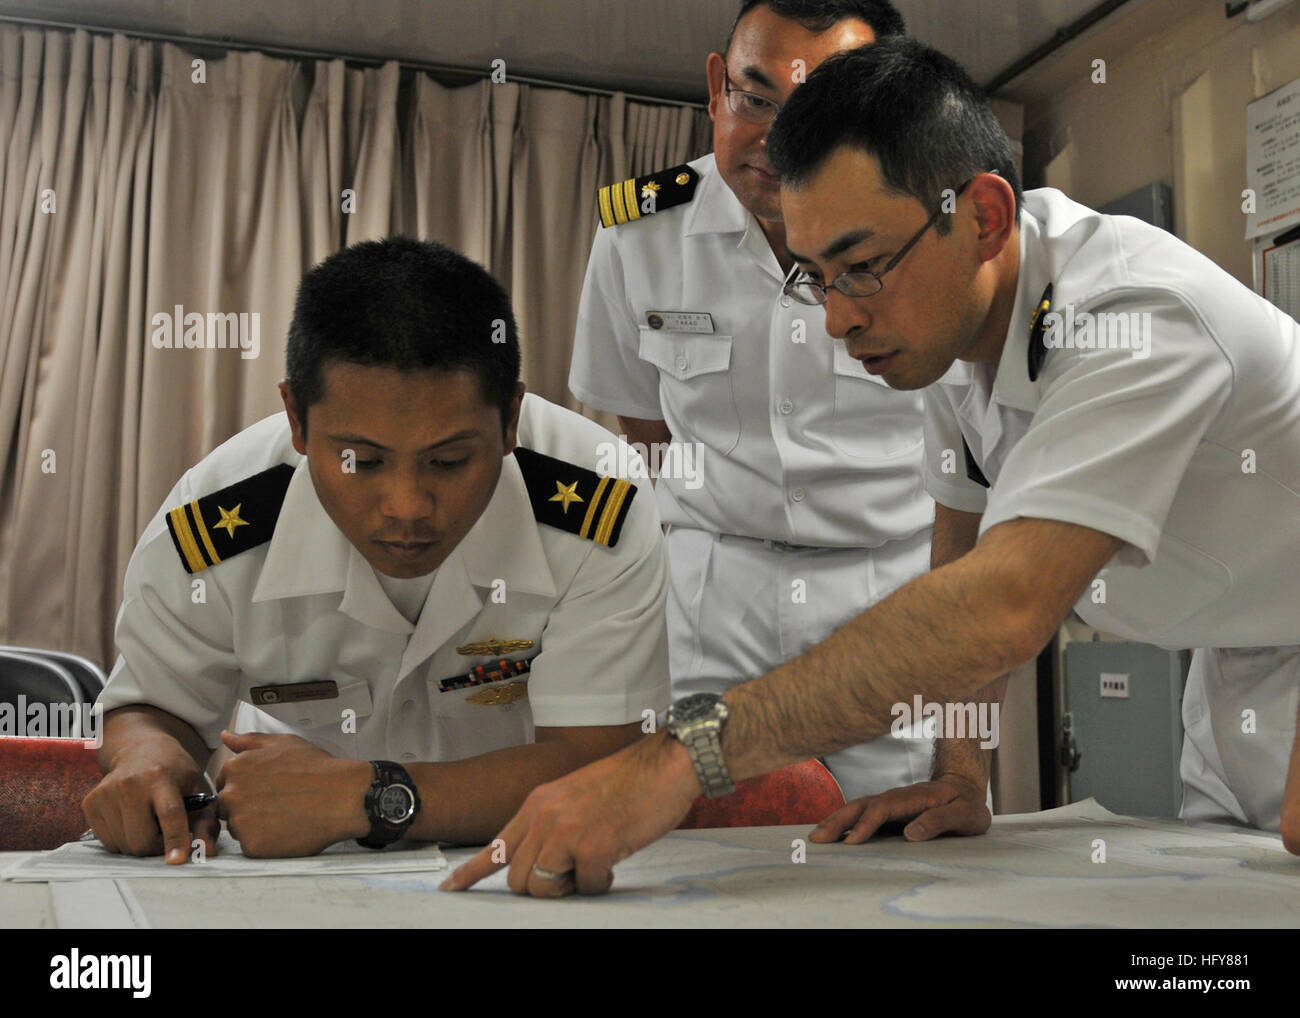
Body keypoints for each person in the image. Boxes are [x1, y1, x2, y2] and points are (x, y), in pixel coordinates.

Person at [445, 37, 1300, 897]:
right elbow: (963, 541)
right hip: (1238, 653)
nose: (837, 321)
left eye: (862, 267)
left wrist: (679, 760)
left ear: (985, 218)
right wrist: (964, 776)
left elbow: (1004, 603)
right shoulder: (952, 334)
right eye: (819, 278)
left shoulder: (1131, 317)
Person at [85, 237, 670, 862]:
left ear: (509, 422)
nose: (407, 505)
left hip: (520, 860)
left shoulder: (595, 506)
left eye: (448, 461)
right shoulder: (219, 523)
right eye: (360, 461)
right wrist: (147, 758)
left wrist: (369, 798)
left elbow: (602, 768)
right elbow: (151, 706)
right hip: (290, 863)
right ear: (296, 420)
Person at [569, 0, 948, 801]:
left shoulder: (926, 239)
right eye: (755, 98)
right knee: (700, 849)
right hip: (713, 601)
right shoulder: (638, 233)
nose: (778, 142)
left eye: (818, 111)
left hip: (891, 594)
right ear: (715, 87)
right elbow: (645, 429)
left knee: (896, 853)